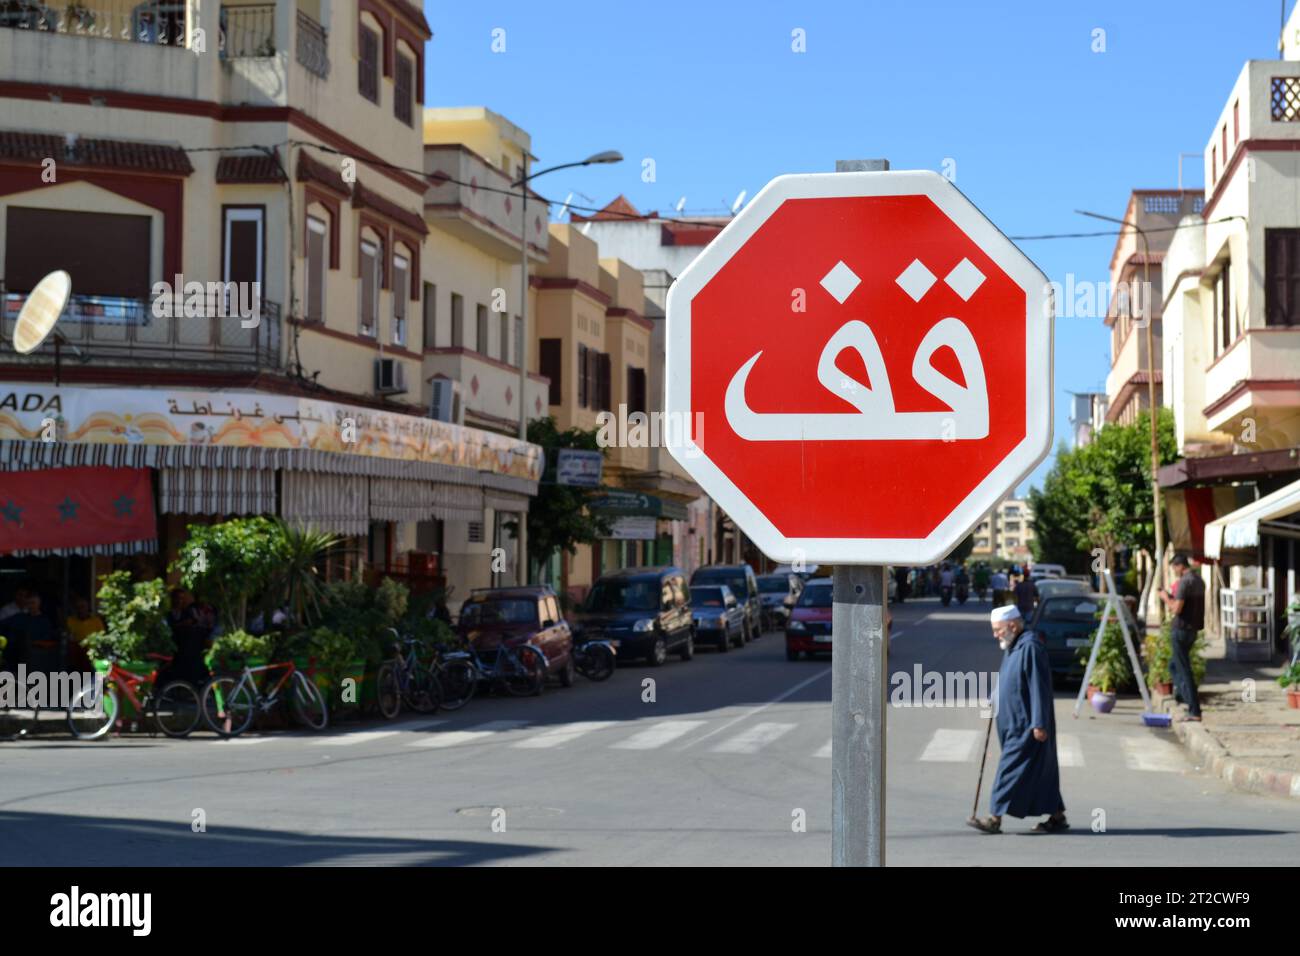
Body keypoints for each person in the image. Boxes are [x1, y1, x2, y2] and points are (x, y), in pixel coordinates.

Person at [968, 605, 1067, 834]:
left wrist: (1039, 723)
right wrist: (994, 698)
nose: (995, 635)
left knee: (1009, 769)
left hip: (1025, 724)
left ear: (1012, 625)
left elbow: (1038, 687)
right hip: (1012, 721)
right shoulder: (1014, 646)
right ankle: (1057, 815)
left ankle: (994, 818)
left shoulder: (1030, 647)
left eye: (998, 629)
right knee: (1041, 772)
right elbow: (1007, 677)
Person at [1159, 554, 1204, 722]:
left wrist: (1165, 598)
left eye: (1174, 568)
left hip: (1181, 629)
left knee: (1184, 670)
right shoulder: (1199, 580)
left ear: (1179, 566)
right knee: (1173, 666)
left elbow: (1177, 608)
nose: (1174, 572)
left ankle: (1194, 709)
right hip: (1192, 629)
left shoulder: (1185, 582)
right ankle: (1182, 696)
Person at [64, 595, 104, 673]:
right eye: (78, 607)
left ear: (88, 607)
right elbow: (67, 637)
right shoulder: (70, 621)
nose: (80, 610)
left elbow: (102, 638)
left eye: (83, 607)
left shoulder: (96, 621)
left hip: (92, 653)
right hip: (76, 654)